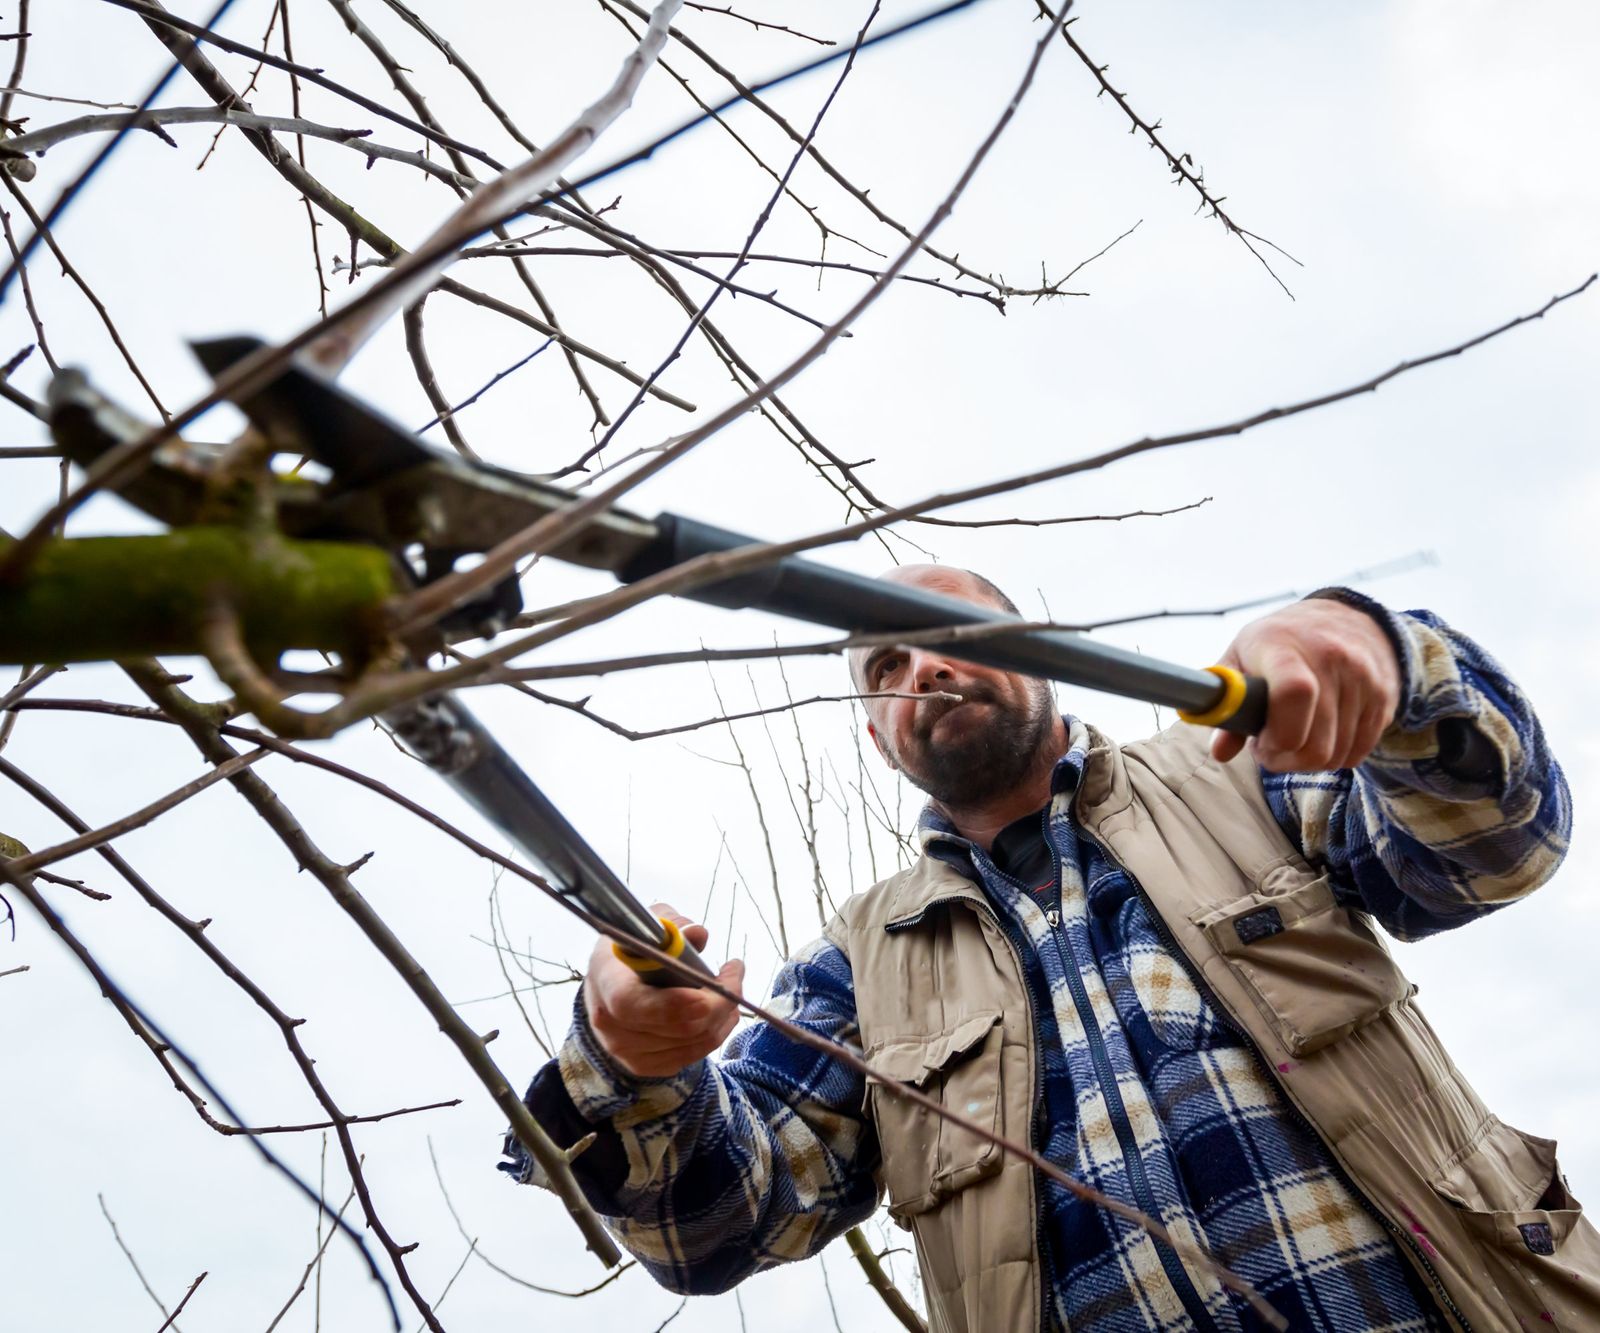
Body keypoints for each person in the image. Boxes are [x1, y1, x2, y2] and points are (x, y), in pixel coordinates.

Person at [503, 566, 1597, 1332]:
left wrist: (1391, 664)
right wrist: (633, 1065)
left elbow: (1494, 848)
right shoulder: (856, 964)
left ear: (1042, 652)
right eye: (887, 664)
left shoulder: (1237, 773)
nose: (924, 669)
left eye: (951, 631)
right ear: (876, 736)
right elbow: (719, 1227)